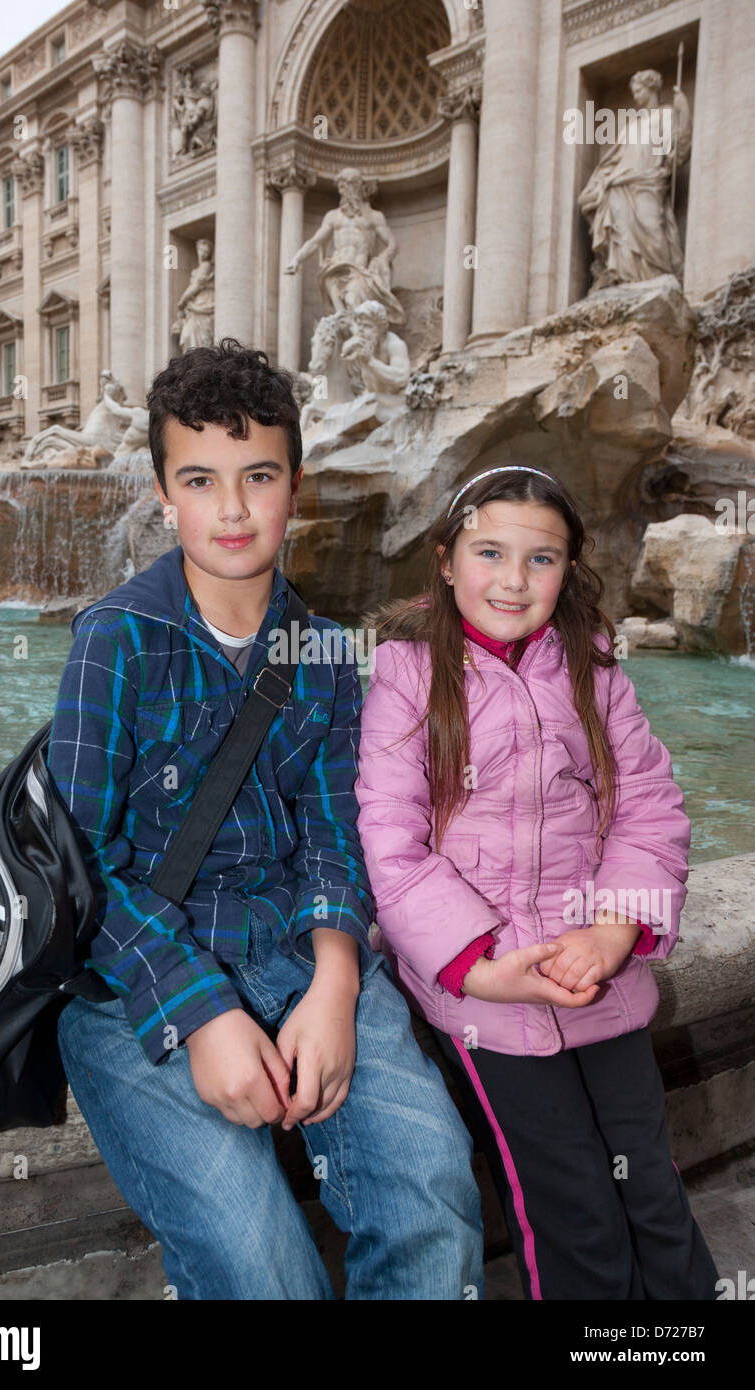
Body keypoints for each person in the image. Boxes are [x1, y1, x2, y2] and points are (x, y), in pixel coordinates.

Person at [46, 338, 484, 1300]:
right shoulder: (115, 640)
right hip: (134, 985)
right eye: (200, 480)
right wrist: (199, 1013)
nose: (233, 509)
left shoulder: (324, 652)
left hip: (298, 951)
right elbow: (76, 860)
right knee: (258, 1261)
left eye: (258, 477)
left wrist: (335, 981)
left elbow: (336, 831)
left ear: (297, 485)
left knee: (433, 1188)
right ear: (164, 495)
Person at [354, 464, 721, 1300]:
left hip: (600, 976)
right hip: (487, 1000)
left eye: (541, 559)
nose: (513, 581)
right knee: (572, 1209)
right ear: (445, 561)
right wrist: (479, 968)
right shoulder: (406, 675)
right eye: (490, 553)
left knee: (652, 1193)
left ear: (570, 570)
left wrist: (615, 931)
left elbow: (650, 807)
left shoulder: (594, 672)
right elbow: (389, 841)